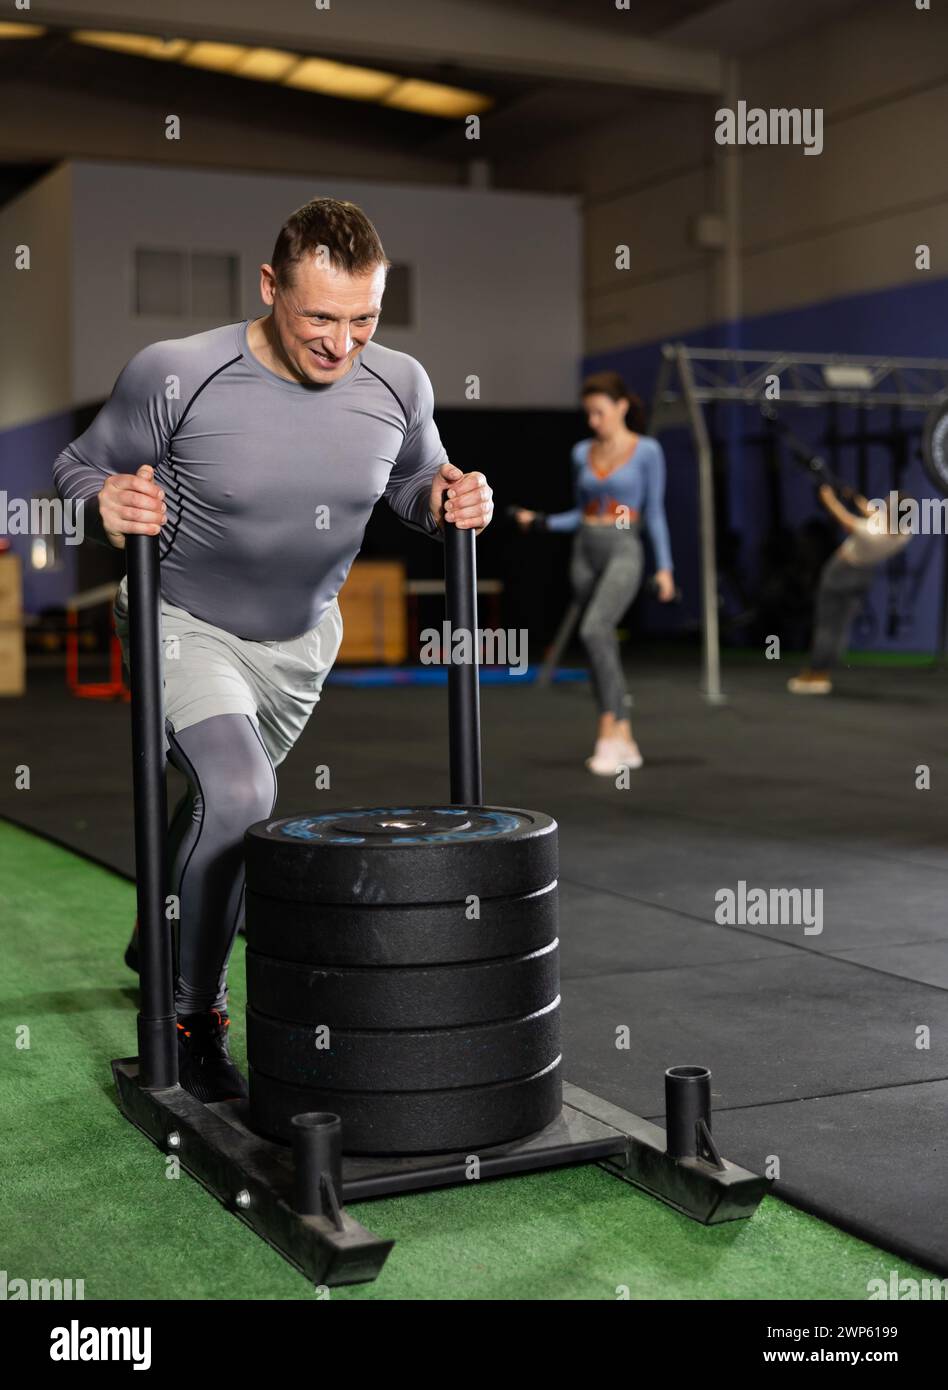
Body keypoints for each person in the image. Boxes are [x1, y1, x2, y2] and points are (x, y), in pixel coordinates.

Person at [53, 198, 493, 1102]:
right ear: (269, 286)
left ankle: (163, 929)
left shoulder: (401, 382)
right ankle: (190, 1013)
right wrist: (102, 505)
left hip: (301, 645)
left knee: (221, 805)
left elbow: (411, 481)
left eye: (364, 318)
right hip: (182, 621)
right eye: (319, 318)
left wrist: (451, 496)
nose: (341, 344)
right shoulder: (178, 371)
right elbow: (76, 469)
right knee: (244, 792)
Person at [514, 372, 675, 774]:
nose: (593, 422)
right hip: (585, 550)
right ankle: (626, 735)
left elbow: (654, 512)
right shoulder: (580, 452)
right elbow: (580, 513)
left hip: (624, 546)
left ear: (621, 407)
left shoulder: (647, 451)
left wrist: (665, 567)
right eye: (588, 414)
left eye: (599, 412)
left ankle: (607, 730)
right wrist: (541, 522)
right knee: (601, 642)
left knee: (593, 630)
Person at [788, 484, 911, 695]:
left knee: (827, 624)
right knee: (840, 626)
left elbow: (844, 520)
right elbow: (873, 513)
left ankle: (817, 675)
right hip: (863, 577)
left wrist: (829, 499)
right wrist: (855, 497)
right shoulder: (904, 533)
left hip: (841, 573)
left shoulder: (871, 532)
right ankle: (823, 672)